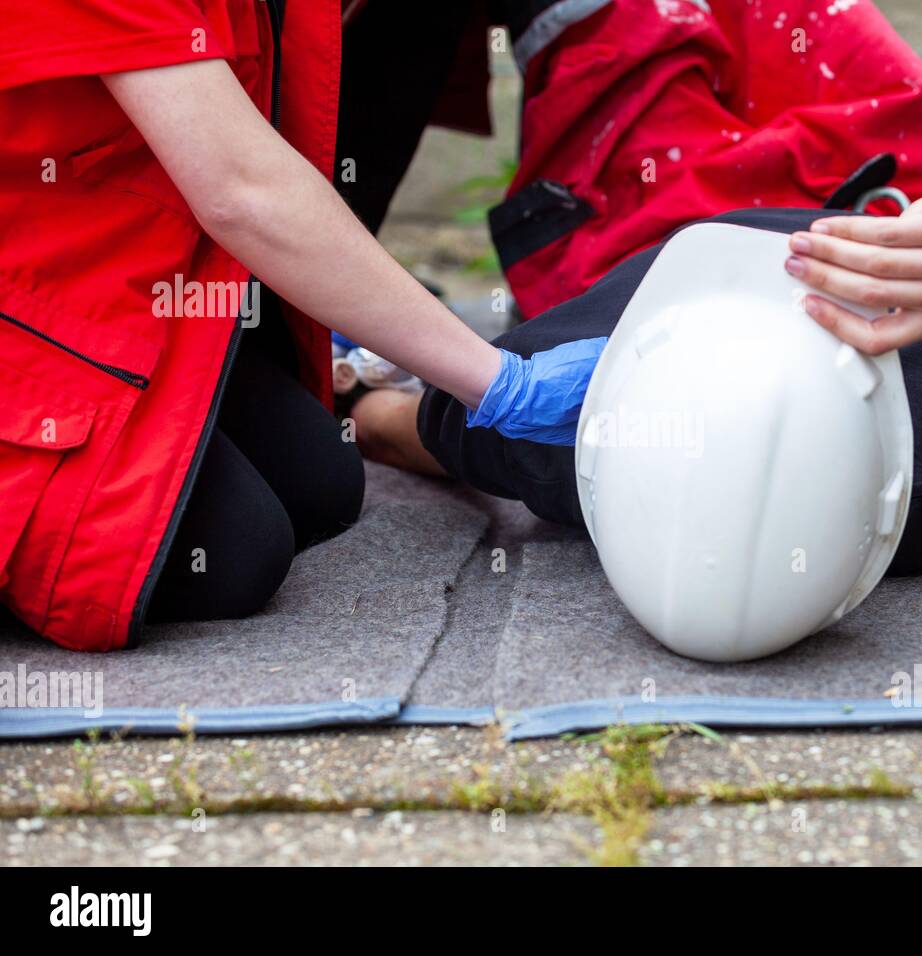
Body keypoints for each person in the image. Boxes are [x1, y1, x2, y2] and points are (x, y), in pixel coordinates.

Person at [356, 22, 922, 574]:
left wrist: (356, 400)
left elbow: (409, 423)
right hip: (891, 182)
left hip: (620, 216)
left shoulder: (577, 432)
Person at [0, 1, 604, 651]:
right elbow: (242, 189)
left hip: (99, 263)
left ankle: (368, 397)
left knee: (323, 484)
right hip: (33, 288)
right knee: (229, 557)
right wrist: (496, 382)